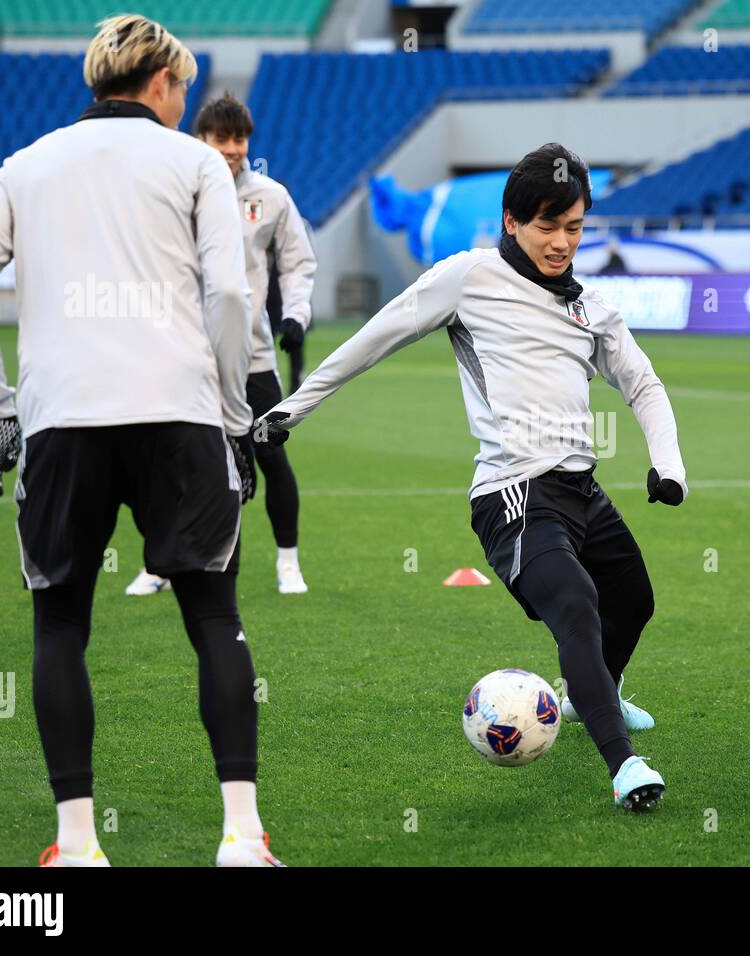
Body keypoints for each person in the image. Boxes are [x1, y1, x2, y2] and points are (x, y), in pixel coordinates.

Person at [254, 144, 688, 811]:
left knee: (635, 601)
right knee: (575, 604)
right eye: (548, 226)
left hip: (581, 491)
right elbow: (378, 336)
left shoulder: (591, 305)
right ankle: (624, 767)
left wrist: (668, 464)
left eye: (574, 227)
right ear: (512, 221)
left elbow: (643, 382)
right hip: (513, 496)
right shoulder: (470, 277)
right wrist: (293, 407)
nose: (561, 242)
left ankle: (585, 695)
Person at [0, 14, 282, 866]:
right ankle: (242, 836)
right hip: (176, 410)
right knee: (213, 612)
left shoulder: (29, 163)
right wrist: (235, 416)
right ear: (165, 84)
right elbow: (230, 298)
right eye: (183, 87)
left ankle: (79, 845)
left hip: (62, 415)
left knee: (60, 626)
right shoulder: (196, 162)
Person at [125, 92, 316, 597]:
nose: (232, 148)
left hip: (252, 357)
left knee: (271, 457)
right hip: (185, 352)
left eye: (240, 138)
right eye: (221, 138)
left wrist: (295, 315)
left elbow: (298, 262)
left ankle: (288, 563)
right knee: (170, 459)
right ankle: (161, 563)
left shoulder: (271, 197)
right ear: (200, 139)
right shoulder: (175, 193)